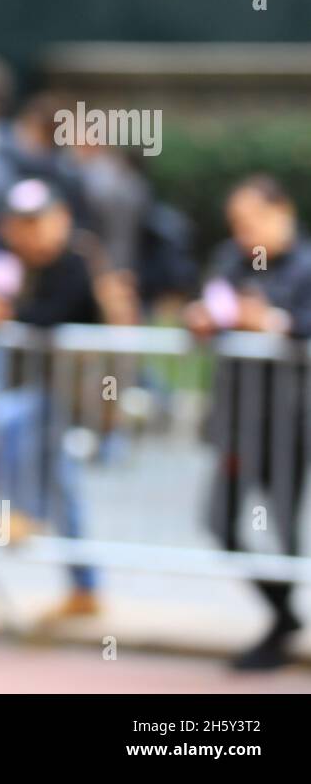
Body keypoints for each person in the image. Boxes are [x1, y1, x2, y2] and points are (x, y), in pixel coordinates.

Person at [0, 179, 136, 623]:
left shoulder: (76, 260)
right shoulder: (14, 265)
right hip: (45, 389)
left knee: (10, 420)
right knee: (64, 487)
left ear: (61, 220)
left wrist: (3, 315)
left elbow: (54, 315)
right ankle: (84, 585)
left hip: (78, 392)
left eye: (38, 222)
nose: (30, 233)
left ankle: (23, 511)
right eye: (22, 223)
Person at [184, 174, 311, 670]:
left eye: (249, 220)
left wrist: (272, 322)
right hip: (238, 419)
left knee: (284, 528)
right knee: (221, 521)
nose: (241, 232)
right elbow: (209, 308)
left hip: (289, 422)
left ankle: (279, 633)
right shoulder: (230, 260)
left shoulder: (303, 265)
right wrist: (202, 320)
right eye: (235, 223)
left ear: (282, 213)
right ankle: (283, 615)